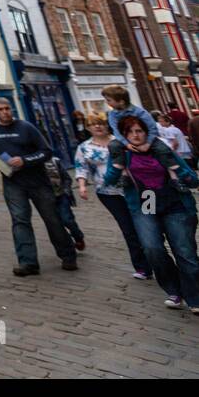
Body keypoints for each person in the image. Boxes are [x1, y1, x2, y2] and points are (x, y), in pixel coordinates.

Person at [104, 114, 199, 313]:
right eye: (129, 132)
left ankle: (195, 296)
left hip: (173, 200)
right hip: (147, 200)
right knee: (152, 247)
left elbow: (192, 179)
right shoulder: (123, 153)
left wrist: (176, 170)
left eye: (139, 131)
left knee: (184, 251)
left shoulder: (160, 149)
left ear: (147, 132)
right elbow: (110, 180)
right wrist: (117, 165)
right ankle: (174, 290)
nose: (135, 135)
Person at [0, 97, 77, 275]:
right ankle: (28, 262)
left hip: (38, 181)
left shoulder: (26, 127)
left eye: (7, 108)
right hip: (12, 183)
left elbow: (46, 151)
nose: (5, 112)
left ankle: (68, 256)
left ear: (12, 109)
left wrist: (24, 160)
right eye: (0, 110)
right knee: (20, 221)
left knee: (52, 219)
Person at [74, 113, 152, 280]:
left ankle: (159, 259)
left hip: (140, 189)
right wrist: (82, 186)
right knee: (128, 228)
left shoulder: (121, 140)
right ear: (87, 127)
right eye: (93, 124)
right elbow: (81, 167)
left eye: (101, 123)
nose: (98, 126)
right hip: (108, 193)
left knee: (150, 222)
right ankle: (142, 267)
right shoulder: (84, 147)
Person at [46, 153, 84, 251]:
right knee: (56, 225)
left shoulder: (54, 161)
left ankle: (78, 237)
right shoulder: (30, 167)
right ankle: (68, 245)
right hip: (45, 200)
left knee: (67, 220)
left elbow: (67, 179)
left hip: (61, 196)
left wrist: (66, 191)